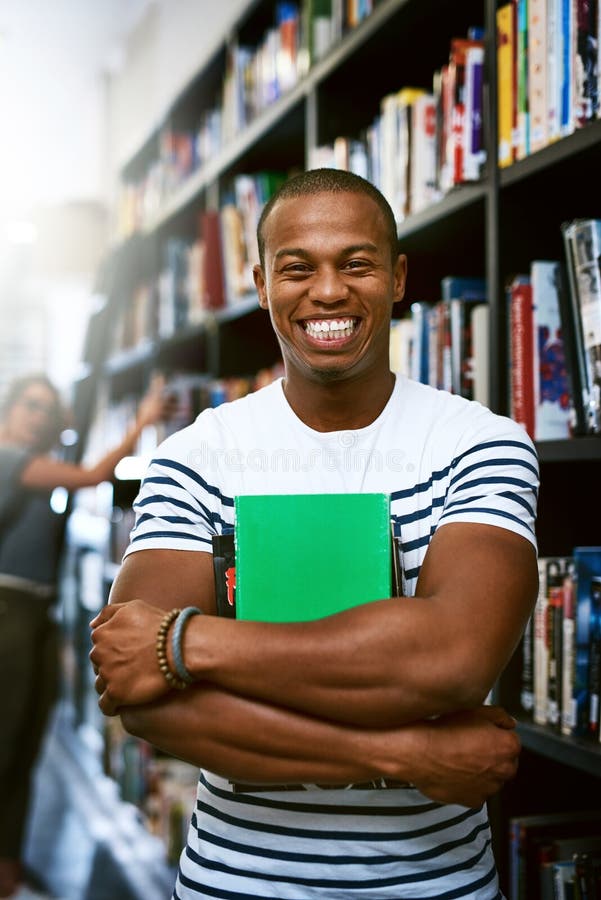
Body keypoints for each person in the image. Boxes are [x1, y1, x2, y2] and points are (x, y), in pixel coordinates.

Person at [89, 169, 539, 899]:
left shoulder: (479, 445)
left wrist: (185, 643)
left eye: (355, 263)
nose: (327, 292)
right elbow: (141, 698)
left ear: (396, 278)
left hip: (434, 886)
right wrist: (405, 752)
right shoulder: (195, 457)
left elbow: (451, 658)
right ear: (261, 283)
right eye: (297, 268)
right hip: (236, 886)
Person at [0, 371, 175, 900]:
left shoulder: (34, 457)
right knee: (6, 745)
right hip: (6, 613)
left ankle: (6, 871)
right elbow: (96, 474)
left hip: (33, 614)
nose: (38, 416)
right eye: (29, 405)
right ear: (7, 409)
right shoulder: (10, 457)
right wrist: (142, 422)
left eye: (46, 409)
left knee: (25, 744)